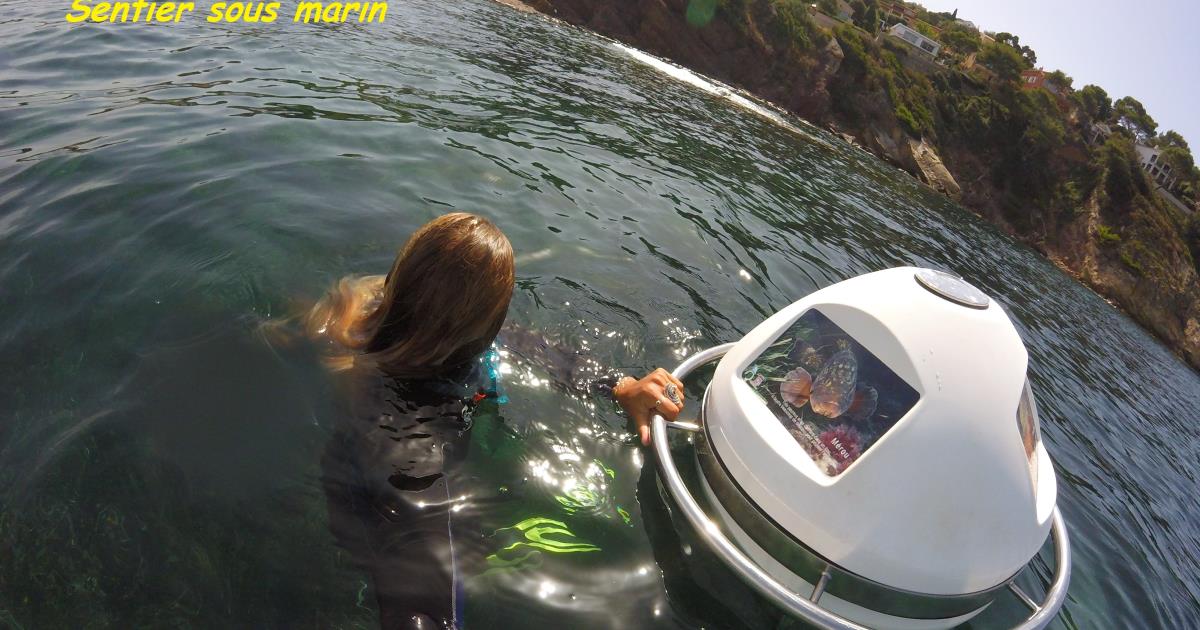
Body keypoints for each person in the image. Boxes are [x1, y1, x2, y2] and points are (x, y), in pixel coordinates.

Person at [304, 212, 685, 629]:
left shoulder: (365, 302)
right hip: (371, 496)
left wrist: (618, 386)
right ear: (481, 326)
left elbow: (529, 344)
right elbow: (417, 562)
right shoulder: (408, 426)